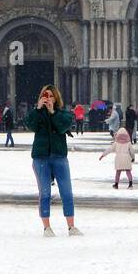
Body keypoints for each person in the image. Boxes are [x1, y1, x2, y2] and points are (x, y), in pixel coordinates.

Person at [27, 85, 80, 236]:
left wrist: (52, 112)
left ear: (56, 97)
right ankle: (47, 227)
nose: (48, 98)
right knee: (44, 193)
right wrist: (38, 110)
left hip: (59, 157)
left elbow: (63, 126)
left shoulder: (64, 114)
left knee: (67, 192)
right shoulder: (36, 114)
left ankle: (71, 226)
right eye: (45, 95)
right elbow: (30, 125)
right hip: (41, 157)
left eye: (51, 95)